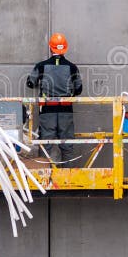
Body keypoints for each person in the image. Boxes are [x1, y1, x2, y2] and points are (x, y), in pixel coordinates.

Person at [27, 33, 83, 167]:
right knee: (67, 146)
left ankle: (44, 177)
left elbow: (30, 83)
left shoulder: (41, 66)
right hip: (66, 111)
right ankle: (67, 181)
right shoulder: (72, 67)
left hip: (47, 111)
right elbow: (79, 89)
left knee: (46, 145)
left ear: (51, 48)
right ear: (65, 48)